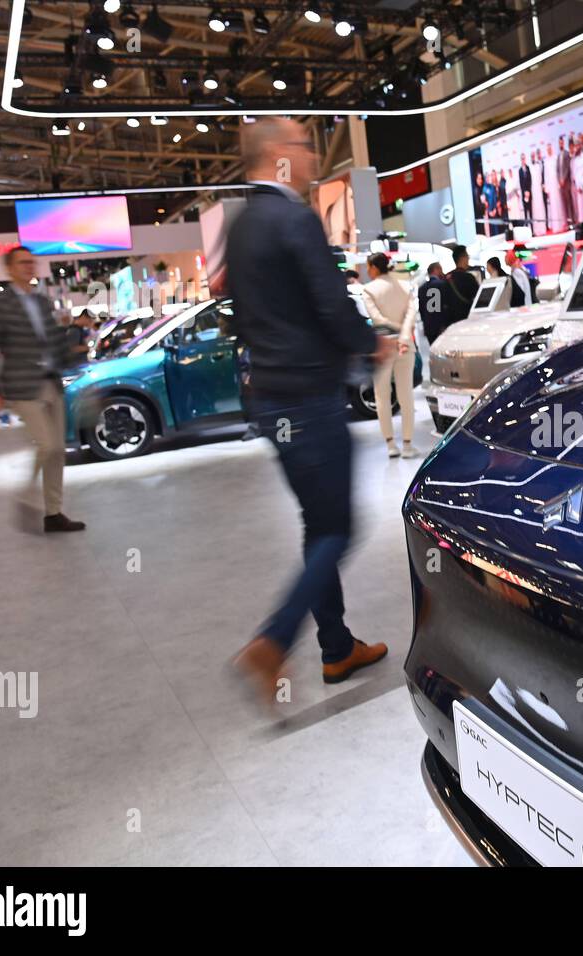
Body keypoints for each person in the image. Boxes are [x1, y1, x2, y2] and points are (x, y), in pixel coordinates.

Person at [227, 117, 391, 703]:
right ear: (274, 154)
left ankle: (338, 647)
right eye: (303, 144)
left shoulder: (240, 226)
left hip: (271, 400)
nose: (313, 155)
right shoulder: (295, 218)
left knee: (317, 524)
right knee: (340, 527)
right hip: (311, 398)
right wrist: (371, 342)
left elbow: (245, 314)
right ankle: (271, 642)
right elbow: (330, 300)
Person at [0, 247, 85, 533]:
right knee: (47, 445)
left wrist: (76, 357)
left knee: (59, 451)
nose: (29, 266)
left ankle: (53, 513)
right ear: (9, 269)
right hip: (23, 385)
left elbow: (54, 342)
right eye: (23, 263)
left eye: (32, 262)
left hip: (51, 382)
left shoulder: (42, 302)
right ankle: (27, 495)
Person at [361, 252, 419, 460]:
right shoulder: (405, 287)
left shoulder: (368, 289)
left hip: (382, 347)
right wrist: (403, 334)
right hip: (405, 346)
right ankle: (408, 444)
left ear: (374, 268)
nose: (368, 271)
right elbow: (411, 315)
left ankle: (391, 444)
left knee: (382, 396)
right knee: (406, 395)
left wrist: (395, 333)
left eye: (368, 267)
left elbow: (377, 319)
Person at [417, 261, 457, 345]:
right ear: (436, 269)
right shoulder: (443, 284)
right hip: (443, 325)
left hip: (429, 326)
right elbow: (449, 304)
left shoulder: (422, 288)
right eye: (441, 269)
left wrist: (425, 324)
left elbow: (421, 309)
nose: (442, 272)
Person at [446, 245, 480, 319]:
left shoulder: (447, 277)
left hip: (451, 320)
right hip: (466, 317)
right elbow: (478, 298)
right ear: (462, 258)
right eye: (467, 256)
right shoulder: (468, 277)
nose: (468, 258)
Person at [556, 135, 574, 228]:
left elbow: (567, 168)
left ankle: (573, 222)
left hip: (567, 183)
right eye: (559, 143)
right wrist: (559, 180)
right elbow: (557, 170)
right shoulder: (558, 155)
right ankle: (568, 222)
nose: (561, 144)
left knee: (570, 203)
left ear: (564, 143)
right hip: (561, 184)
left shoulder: (567, 154)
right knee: (564, 205)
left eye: (562, 142)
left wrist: (563, 179)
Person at [570, 137, 583, 224]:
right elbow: (574, 173)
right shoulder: (574, 159)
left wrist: (582, 185)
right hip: (576, 188)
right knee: (579, 208)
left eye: (577, 145)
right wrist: (576, 185)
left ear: (580, 146)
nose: (576, 147)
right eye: (575, 145)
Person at [530, 149, 547, 234]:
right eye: (532, 156)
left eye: (534, 156)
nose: (533, 157)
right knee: (535, 210)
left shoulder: (538, 166)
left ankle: (542, 229)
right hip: (533, 191)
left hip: (539, 191)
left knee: (541, 209)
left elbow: (541, 178)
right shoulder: (530, 167)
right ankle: (536, 230)